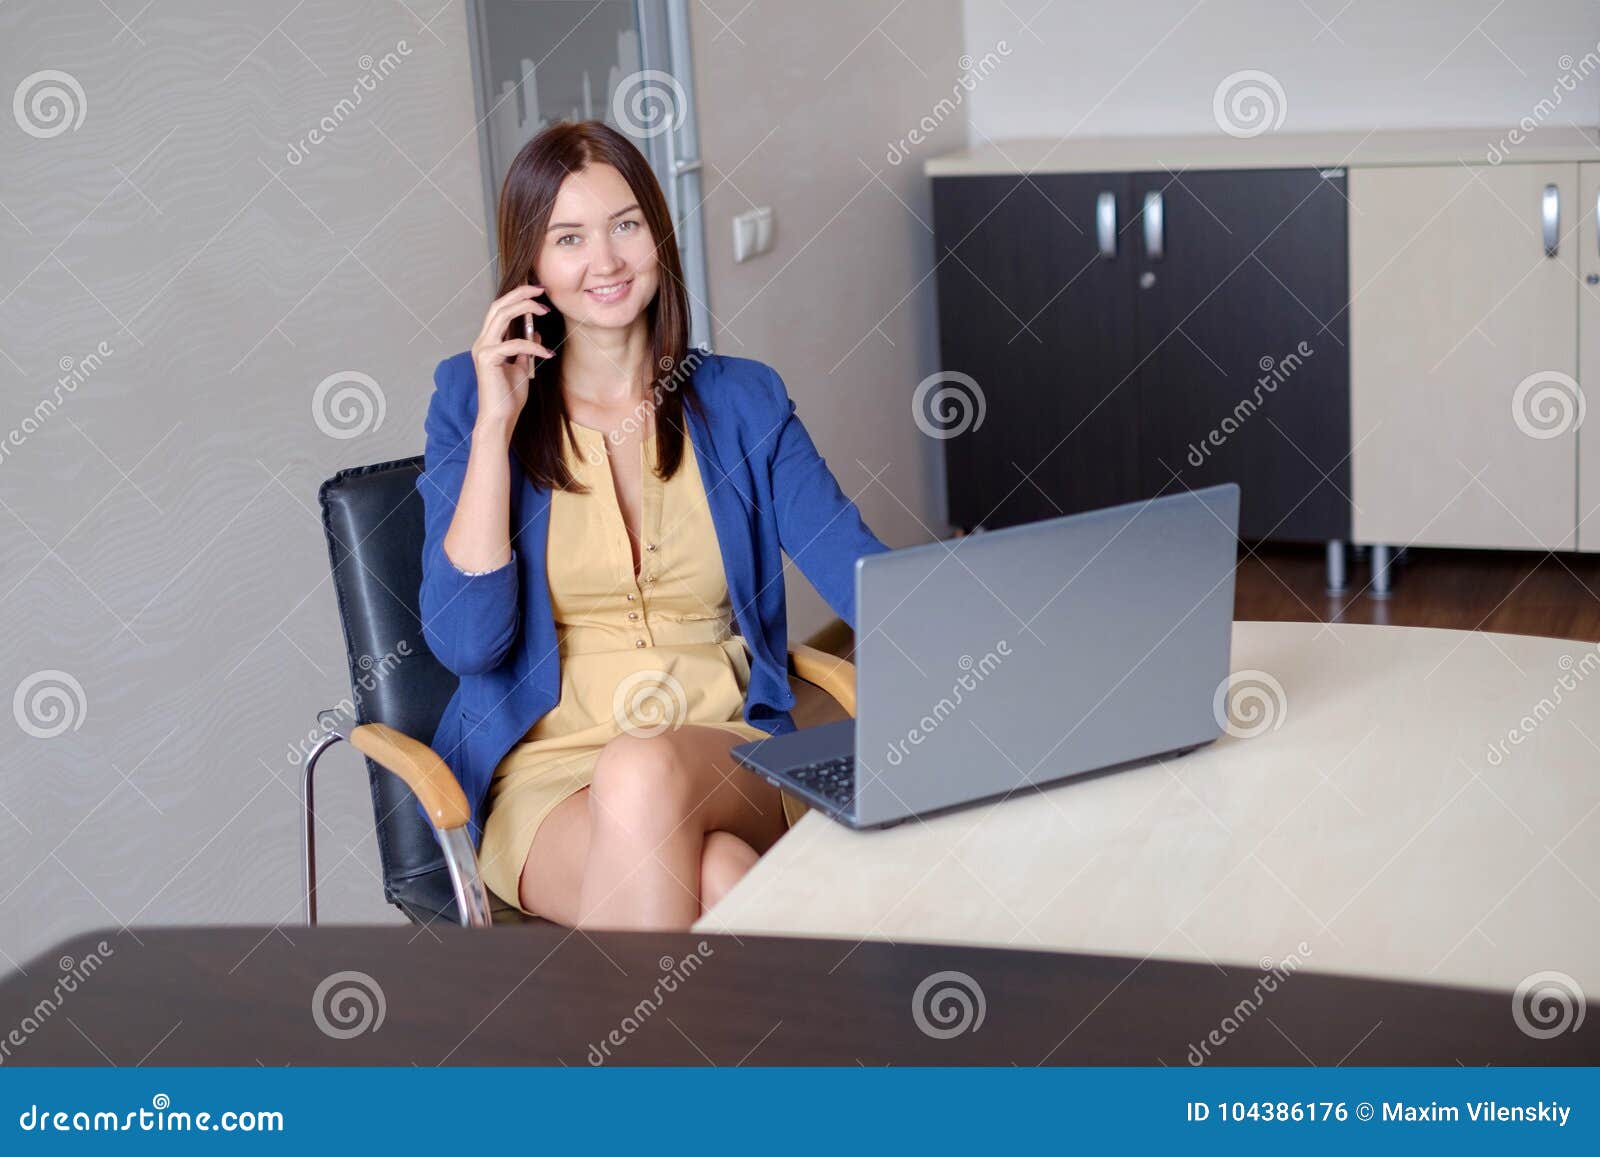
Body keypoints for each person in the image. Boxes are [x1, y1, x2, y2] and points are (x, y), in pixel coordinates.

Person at [417, 119, 889, 931]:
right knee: (724, 883)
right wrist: (497, 425)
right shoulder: (471, 400)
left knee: (642, 770)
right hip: (549, 776)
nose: (604, 261)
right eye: (569, 237)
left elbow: (867, 578)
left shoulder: (743, 401)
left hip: (723, 747)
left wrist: (1007, 655)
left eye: (625, 225)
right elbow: (468, 642)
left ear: (659, 237)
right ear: (530, 266)